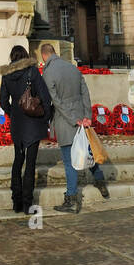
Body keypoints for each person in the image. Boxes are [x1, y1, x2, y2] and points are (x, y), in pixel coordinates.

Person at [39, 42, 109, 214]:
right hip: (81, 117)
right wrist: (87, 117)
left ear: (43, 56)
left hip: (66, 121)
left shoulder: (48, 72)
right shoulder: (72, 68)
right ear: (54, 52)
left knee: (70, 162)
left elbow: (56, 101)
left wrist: (72, 119)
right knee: (86, 151)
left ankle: (71, 200)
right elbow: (85, 93)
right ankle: (100, 181)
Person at [0, 43, 53, 214]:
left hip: (18, 124)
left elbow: (2, 101)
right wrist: (46, 117)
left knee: (17, 160)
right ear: (25, 56)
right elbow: (44, 96)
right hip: (33, 123)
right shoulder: (32, 71)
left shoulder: (6, 76)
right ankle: (28, 203)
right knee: (30, 164)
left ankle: (16, 201)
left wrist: (12, 113)